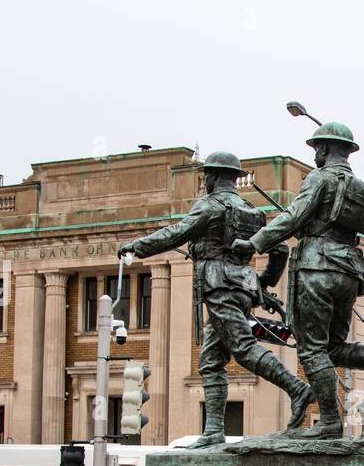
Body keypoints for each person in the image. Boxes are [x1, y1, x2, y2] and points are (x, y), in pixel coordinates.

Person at [232, 123, 364, 439]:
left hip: (316, 269)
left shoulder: (318, 178)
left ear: (325, 149)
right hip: (348, 275)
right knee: (333, 347)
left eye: (317, 148)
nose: (315, 154)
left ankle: (330, 421)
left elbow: (293, 217)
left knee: (312, 349)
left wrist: (254, 243)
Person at [119, 151, 312, 448]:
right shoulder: (253, 211)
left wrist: (137, 246)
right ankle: (213, 431)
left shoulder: (209, 206)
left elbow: (176, 233)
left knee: (243, 348)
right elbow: (280, 250)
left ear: (213, 176)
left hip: (217, 284)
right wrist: (262, 284)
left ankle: (296, 387)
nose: (205, 179)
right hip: (242, 286)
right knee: (210, 361)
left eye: (207, 174)